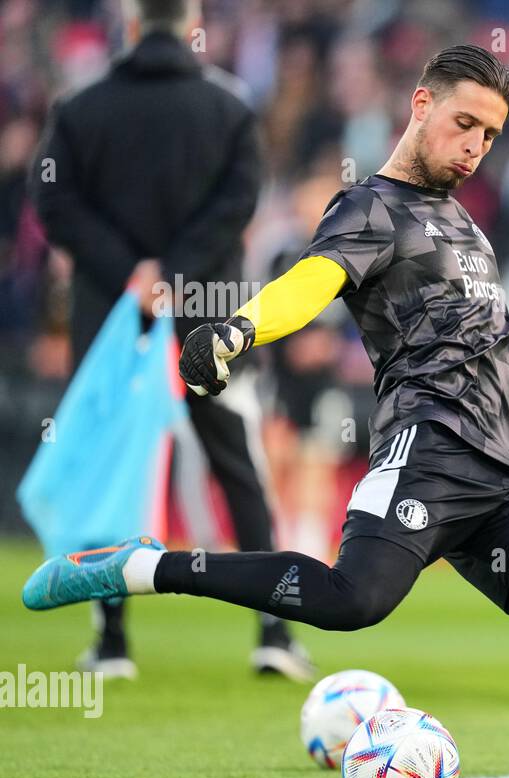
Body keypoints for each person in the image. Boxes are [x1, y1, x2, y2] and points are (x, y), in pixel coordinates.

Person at [24, 44, 509, 778]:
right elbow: (314, 282)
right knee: (351, 602)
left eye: (491, 135)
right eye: (464, 123)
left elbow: (465, 330)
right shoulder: (369, 206)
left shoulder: (466, 228)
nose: (476, 147)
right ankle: (145, 567)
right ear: (420, 106)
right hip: (429, 450)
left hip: (500, 477)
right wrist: (241, 328)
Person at [27, 0, 310, 680]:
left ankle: (113, 641)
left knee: (113, 469)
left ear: (128, 26)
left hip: (113, 317)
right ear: (191, 26)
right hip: (206, 313)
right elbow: (238, 201)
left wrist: (132, 272)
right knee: (236, 465)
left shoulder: (81, 105)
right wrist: (176, 271)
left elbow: (54, 204)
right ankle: (273, 630)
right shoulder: (229, 107)